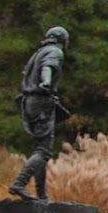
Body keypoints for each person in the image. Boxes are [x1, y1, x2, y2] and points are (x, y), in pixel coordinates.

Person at [8, 26, 69, 201]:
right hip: (41, 101)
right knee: (44, 151)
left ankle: (42, 195)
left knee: (40, 149)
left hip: (28, 101)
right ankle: (20, 183)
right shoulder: (54, 51)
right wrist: (46, 82)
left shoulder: (38, 52)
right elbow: (48, 67)